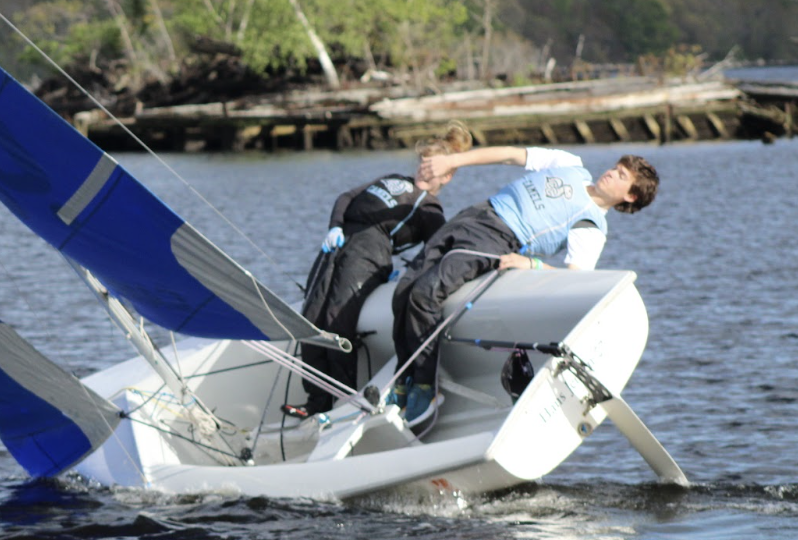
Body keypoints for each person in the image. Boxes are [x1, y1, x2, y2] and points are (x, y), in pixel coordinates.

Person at [389, 145, 660, 427]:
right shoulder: (571, 165)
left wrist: (533, 265)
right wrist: (452, 160)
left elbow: (576, 277)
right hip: (478, 213)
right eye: (615, 168)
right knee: (403, 291)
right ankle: (401, 382)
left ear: (630, 196)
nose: (610, 173)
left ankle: (424, 388)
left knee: (425, 295)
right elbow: (510, 154)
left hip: (495, 239)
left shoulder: (590, 225)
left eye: (621, 176)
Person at [282, 122, 473, 419]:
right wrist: (334, 226)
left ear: (447, 175)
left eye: (431, 167)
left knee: (336, 322)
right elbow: (346, 197)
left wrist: (410, 274)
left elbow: (435, 249)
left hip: (369, 253)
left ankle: (343, 402)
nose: (424, 170)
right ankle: (317, 400)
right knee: (310, 318)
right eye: (423, 163)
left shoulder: (430, 210)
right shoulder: (394, 179)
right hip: (338, 243)